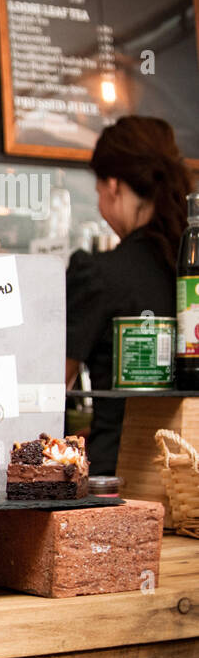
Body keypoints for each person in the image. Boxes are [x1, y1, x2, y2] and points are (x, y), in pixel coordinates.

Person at [66, 116, 193, 475]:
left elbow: (50, 387)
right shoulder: (188, 271)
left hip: (118, 483)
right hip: (188, 479)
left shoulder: (98, 274)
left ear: (113, 186)